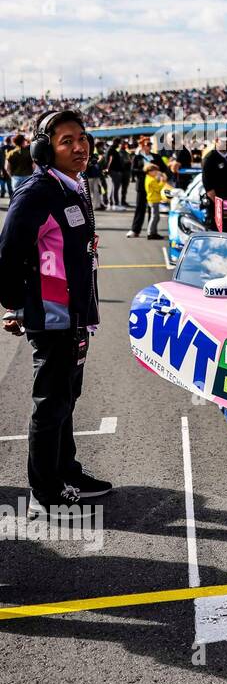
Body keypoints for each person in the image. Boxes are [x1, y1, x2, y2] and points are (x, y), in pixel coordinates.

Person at [0, 109, 111, 518]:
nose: (79, 147)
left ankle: (68, 472)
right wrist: (14, 305)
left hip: (76, 314)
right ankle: (46, 491)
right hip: (51, 317)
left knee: (67, 397)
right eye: (67, 141)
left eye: (82, 138)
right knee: (50, 404)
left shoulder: (72, 186)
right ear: (46, 149)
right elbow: (8, 254)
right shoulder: (37, 192)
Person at [126, 135, 150, 238]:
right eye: (147, 144)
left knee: (153, 210)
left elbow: (163, 168)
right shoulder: (137, 157)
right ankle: (135, 230)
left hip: (154, 187)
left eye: (150, 144)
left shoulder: (155, 156)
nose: (149, 146)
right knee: (140, 208)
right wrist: (145, 170)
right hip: (142, 185)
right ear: (142, 146)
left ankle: (152, 231)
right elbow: (133, 170)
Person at [143, 162, 168, 240]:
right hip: (153, 200)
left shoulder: (149, 178)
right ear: (149, 171)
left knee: (156, 217)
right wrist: (163, 181)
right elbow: (158, 188)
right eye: (155, 171)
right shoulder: (152, 180)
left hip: (153, 199)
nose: (156, 172)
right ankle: (150, 233)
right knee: (154, 217)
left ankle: (153, 232)